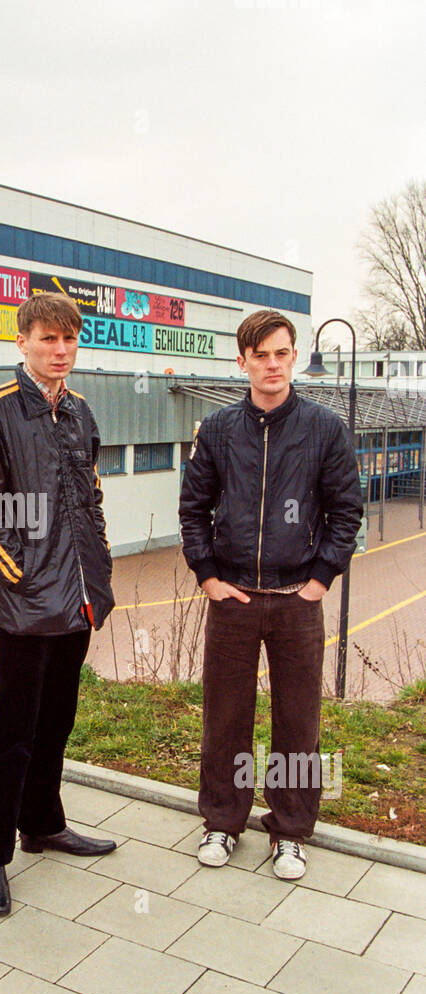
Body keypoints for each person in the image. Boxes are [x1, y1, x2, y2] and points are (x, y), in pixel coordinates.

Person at [179, 309, 363, 880]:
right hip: (232, 599)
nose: (272, 364)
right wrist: (208, 576)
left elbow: (345, 511)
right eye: (260, 355)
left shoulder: (324, 429)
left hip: (295, 602)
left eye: (282, 353)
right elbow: (193, 510)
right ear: (242, 362)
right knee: (226, 718)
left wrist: (320, 579)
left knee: (298, 721)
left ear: (293, 355)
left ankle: (290, 832)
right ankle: (222, 822)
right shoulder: (217, 431)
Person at [0, 292, 118, 916]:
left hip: (78, 599)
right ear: (21, 342)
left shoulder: (80, 411)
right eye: (48, 339)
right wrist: (21, 579)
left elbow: (93, 497)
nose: (60, 350)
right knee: (13, 731)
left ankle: (44, 823)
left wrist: (96, 573)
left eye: (69, 340)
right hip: (28, 604)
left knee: (57, 719)